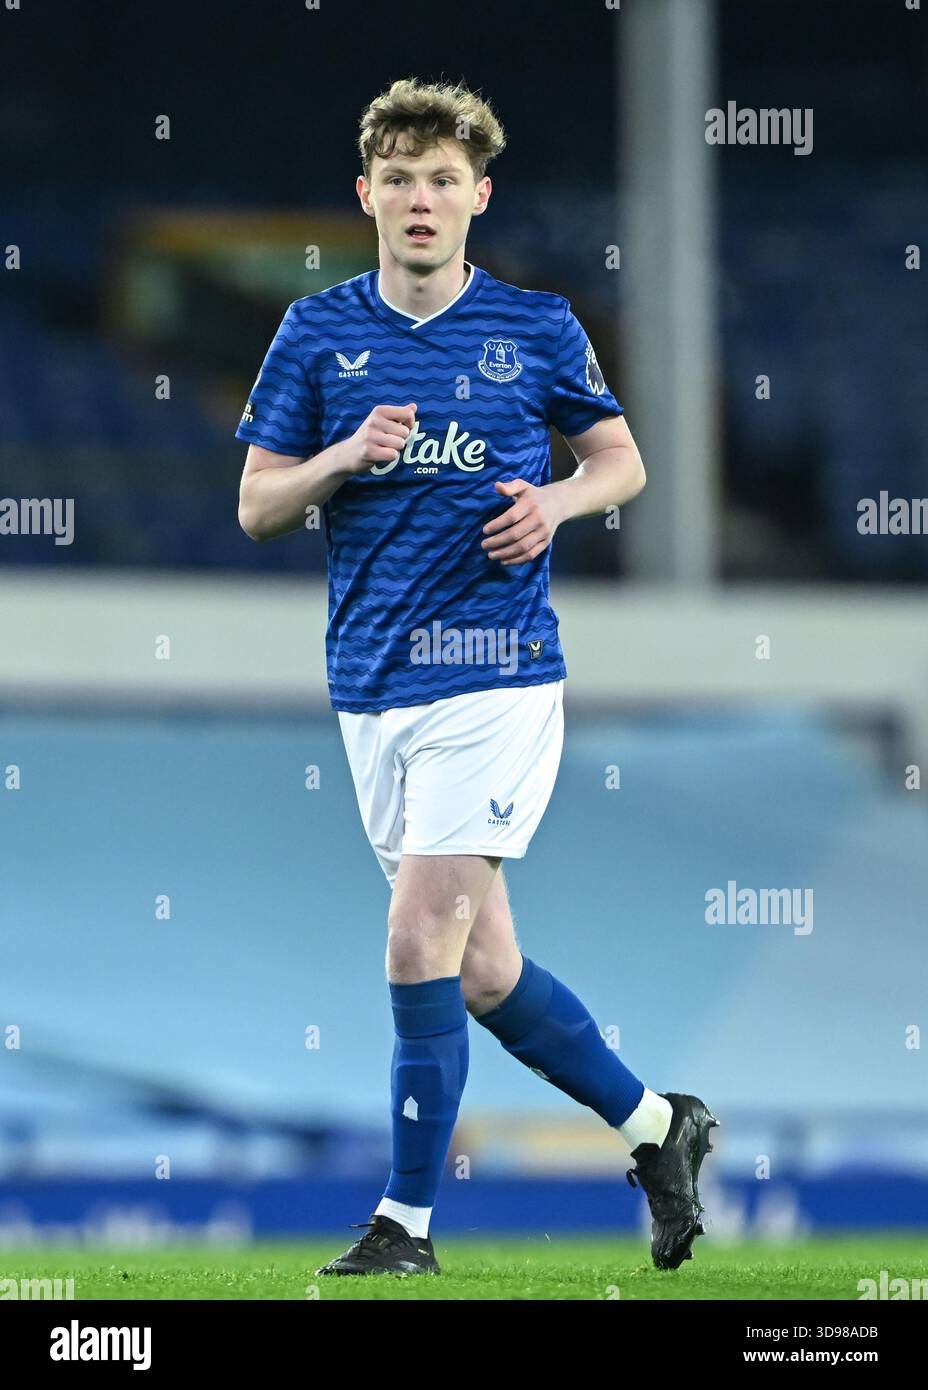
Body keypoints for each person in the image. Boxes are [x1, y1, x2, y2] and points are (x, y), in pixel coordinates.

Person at [236, 76, 717, 1276]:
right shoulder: (315, 333)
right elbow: (255, 505)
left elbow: (622, 461)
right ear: (366, 194)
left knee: (416, 939)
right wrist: (343, 455)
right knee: (483, 964)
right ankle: (660, 1127)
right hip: (371, 687)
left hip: (498, 676)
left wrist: (554, 503)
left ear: (476, 197)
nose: (419, 198)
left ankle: (405, 1223)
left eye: (442, 179)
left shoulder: (538, 327)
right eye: (397, 178)